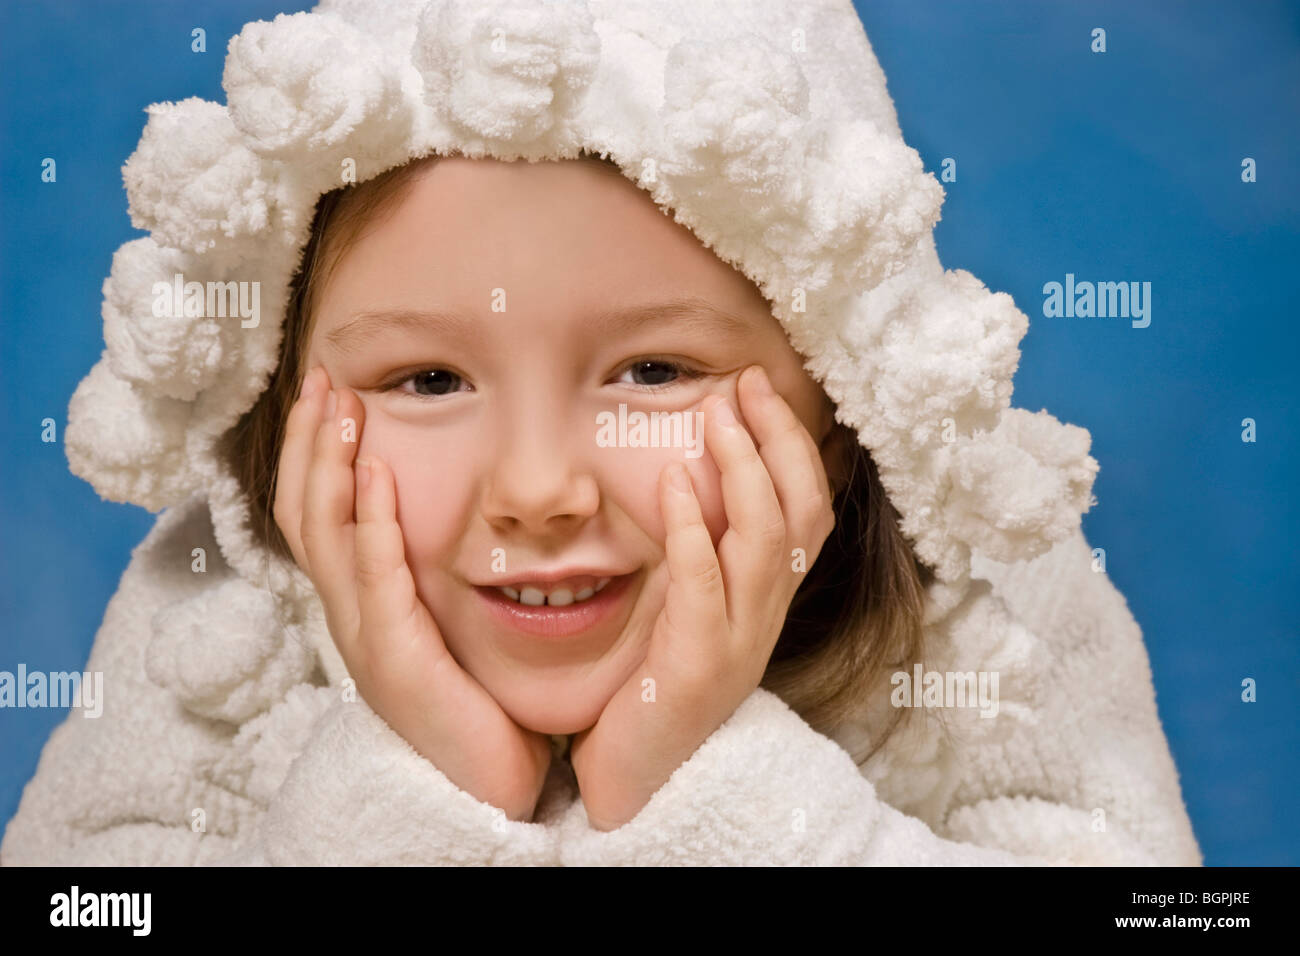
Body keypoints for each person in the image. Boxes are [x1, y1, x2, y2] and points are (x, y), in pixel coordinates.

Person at [1, 0, 1201, 866]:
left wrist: (693, 786)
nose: (538, 487)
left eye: (654, 370)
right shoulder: (209, 612)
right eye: (425, 377)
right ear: (285, 400)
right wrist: (421, 795)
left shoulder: (992, 617)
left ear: (842, 407)